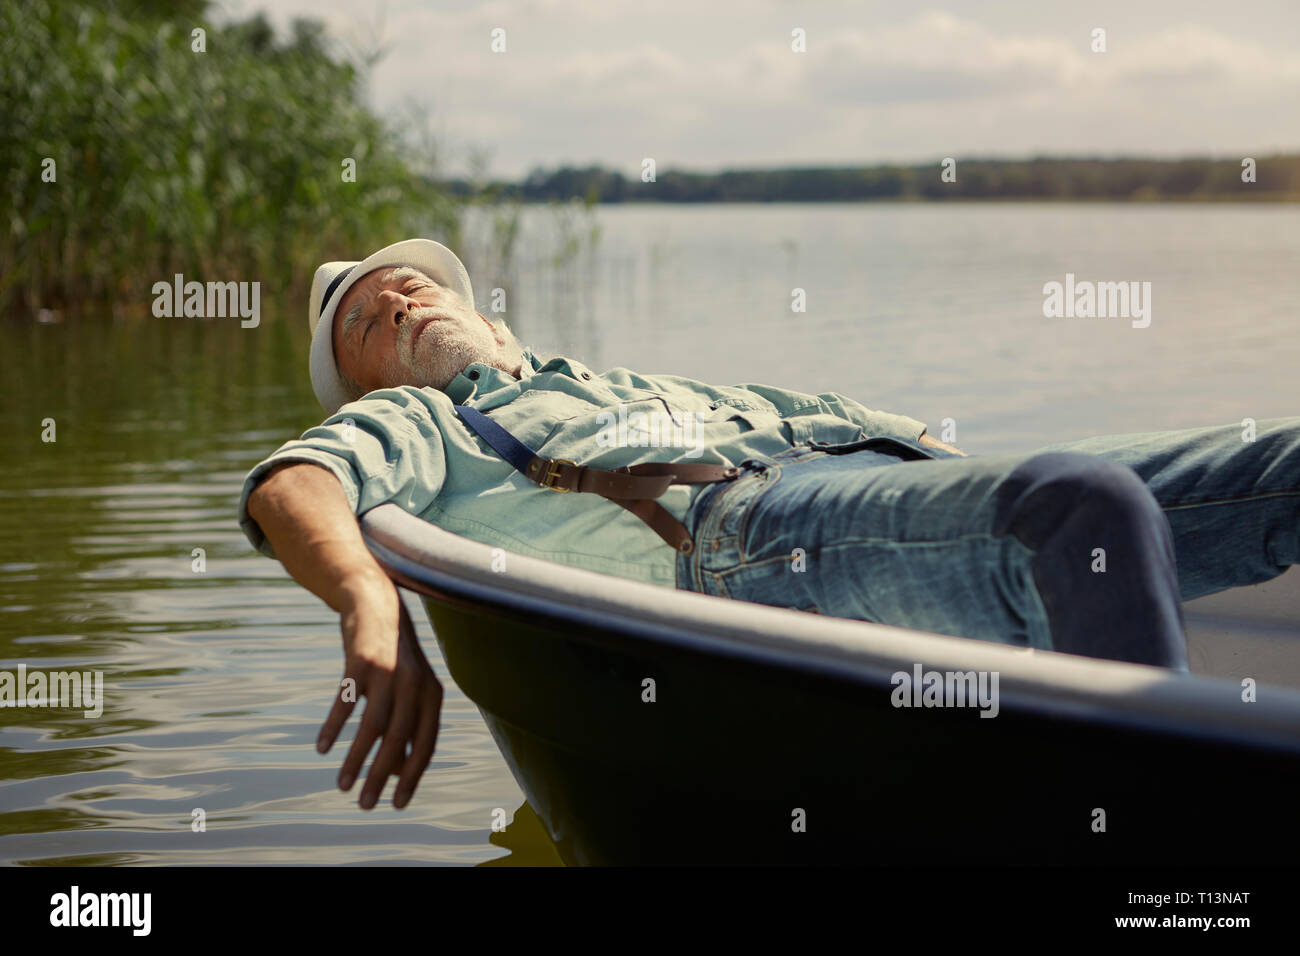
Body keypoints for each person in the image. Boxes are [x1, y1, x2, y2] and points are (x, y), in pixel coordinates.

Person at [238, 237, 1300, 812]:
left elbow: (855, 425)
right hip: (751, 535)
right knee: (1081, 509)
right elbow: (293, 486)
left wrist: (948, 476)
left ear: (493, 318)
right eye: (369, 323)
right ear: (365, 384)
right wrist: (369, 596)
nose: (396, 303)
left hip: (876, 485)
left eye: (409, 286)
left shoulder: (628, 379)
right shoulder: (420, 417)